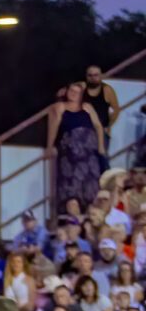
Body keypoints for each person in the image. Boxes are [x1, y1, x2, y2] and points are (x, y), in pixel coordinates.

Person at [47, 82, 107, 215]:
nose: (74, 94)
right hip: (70, 156)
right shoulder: (60, 107)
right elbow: (53, 127)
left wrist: (101, 148)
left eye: (77, 92)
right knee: (72, 194)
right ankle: (76, 222)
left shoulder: (87, 107)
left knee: (91, 191)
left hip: (89, 156)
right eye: (71, 91)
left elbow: (98, 126)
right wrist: (50, 146)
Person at [82, 64, 120, 153]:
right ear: (86, 76)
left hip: (101, 133)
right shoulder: (82, 89)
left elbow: (116, 110)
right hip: (83, 132)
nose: (93, 78)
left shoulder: (107, 90)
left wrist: (108, 125)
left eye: (96, 75)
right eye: (90, 75)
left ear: (101, 76)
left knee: (101, 160)